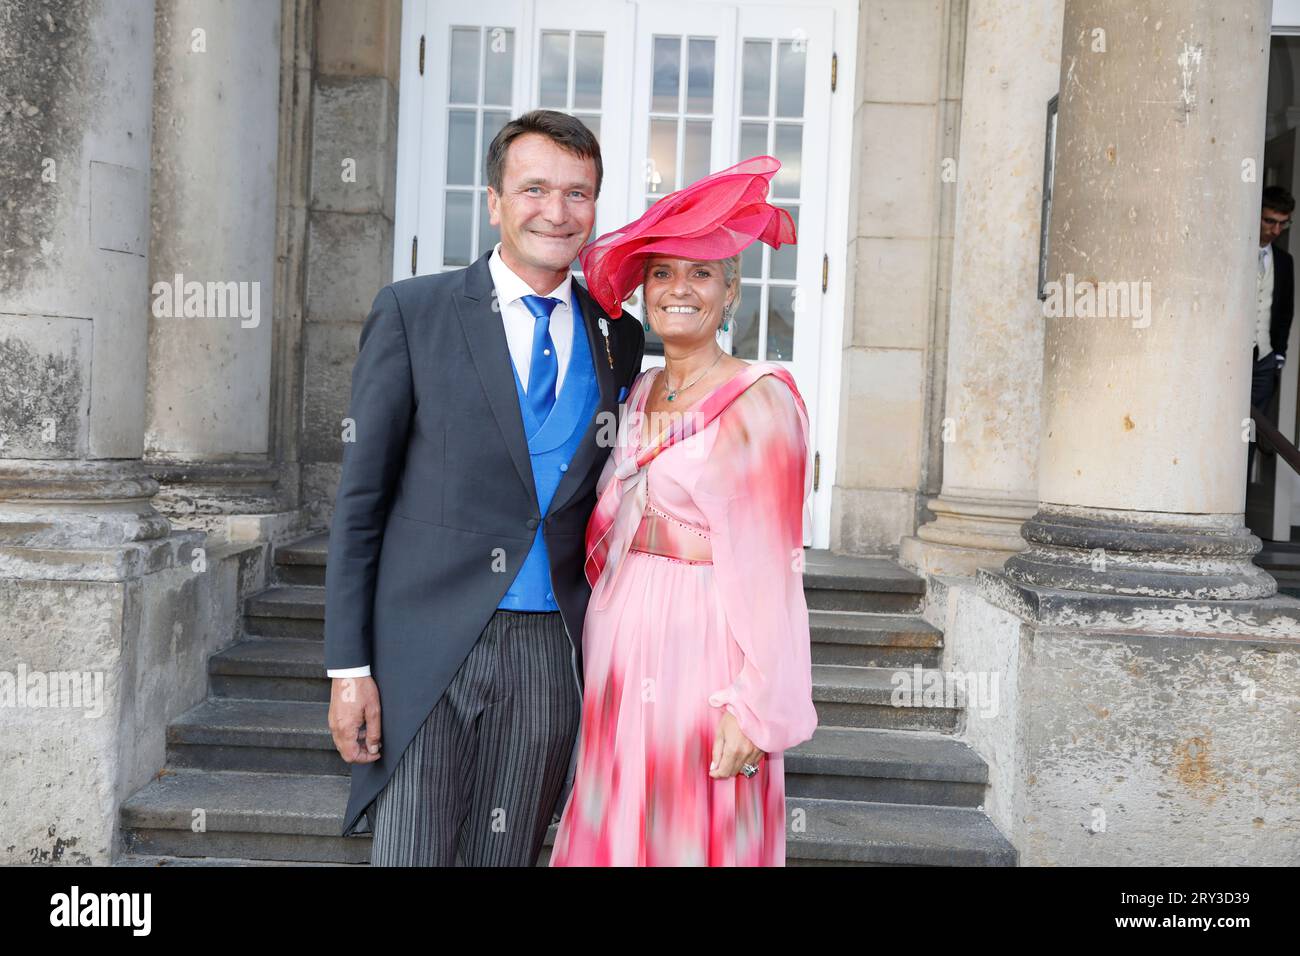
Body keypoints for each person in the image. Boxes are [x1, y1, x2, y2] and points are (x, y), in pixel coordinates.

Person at [324, 109, 644, 865]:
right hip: (426, 645)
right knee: (411, 852)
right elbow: (360, 504)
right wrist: (349, 669)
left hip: (550, 649)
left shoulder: (618, 335)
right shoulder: (414, 312)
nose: (557, 211)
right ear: (495, 202)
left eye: (578, 193)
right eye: (534, 188)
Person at [549, 156, 818, 866]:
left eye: (701, 273)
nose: (679, 289)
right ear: (643, 291)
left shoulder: (761, 398)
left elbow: (772, 566)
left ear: (730, 293)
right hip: (621, 634)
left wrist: (753, 705)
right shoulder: (636, 394)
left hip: (705, 644)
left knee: (691, 825)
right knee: (619, 812)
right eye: (662, 273)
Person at [1248, 185, 1295, 474]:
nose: (1276, 230)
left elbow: (1284, 312)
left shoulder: (1285, 262)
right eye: (1270, 221)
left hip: (1264, 361)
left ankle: (1241, 508)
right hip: (1227, 360)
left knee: (1251, 436)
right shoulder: (1234, 251)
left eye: (1282, 223)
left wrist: (1278, 355)